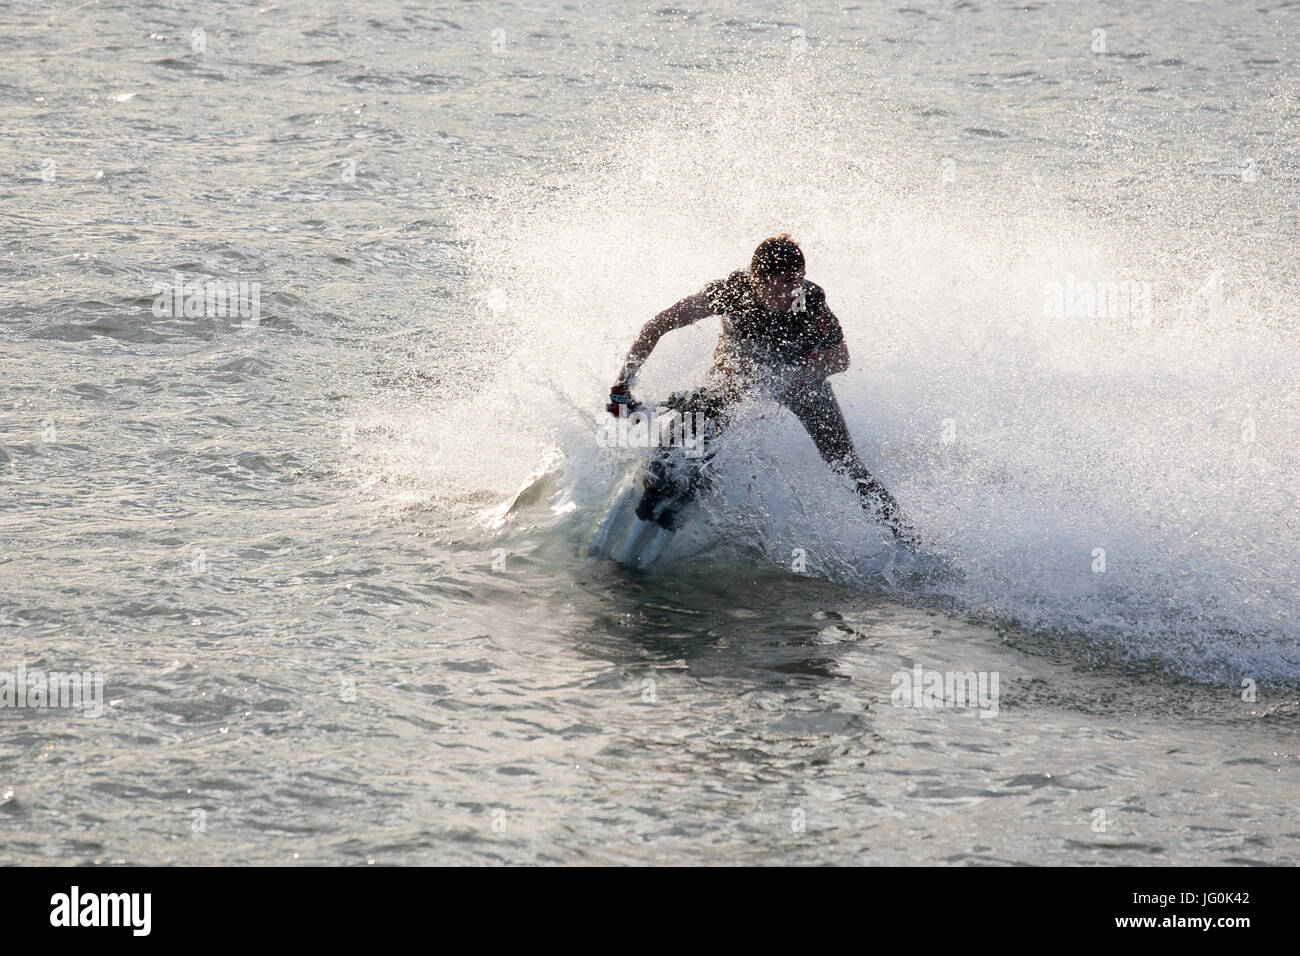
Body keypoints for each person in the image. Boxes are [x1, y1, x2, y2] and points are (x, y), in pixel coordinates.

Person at [607, 234, 917, 547]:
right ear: (757, 280)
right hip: (734, 379)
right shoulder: (729, 293)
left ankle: (907, 541)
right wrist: (622, 385)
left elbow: (840, 358)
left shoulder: (809, 301)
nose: (793, 289)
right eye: (784, 282)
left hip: (804, 385)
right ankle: (659, 503)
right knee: (689, 431)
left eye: (798, 279)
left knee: (846, 465)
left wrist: (777, 383)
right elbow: (659, 323)